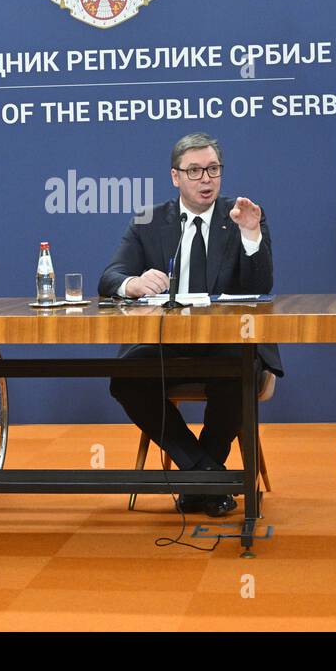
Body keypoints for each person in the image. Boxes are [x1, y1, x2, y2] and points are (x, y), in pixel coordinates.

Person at [99, 132, 281, 516]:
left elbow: (260, 288)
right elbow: (110, 276)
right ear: (175, 177)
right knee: (126, 377)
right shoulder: (150, 221)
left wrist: (252, 234)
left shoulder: (242, 214)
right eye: (195, 171)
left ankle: (201, 475)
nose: (206, 179)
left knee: (239, 370)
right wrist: (132, 283)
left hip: (230, 342)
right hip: (168, 341)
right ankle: (205, 473)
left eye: (213, 169)